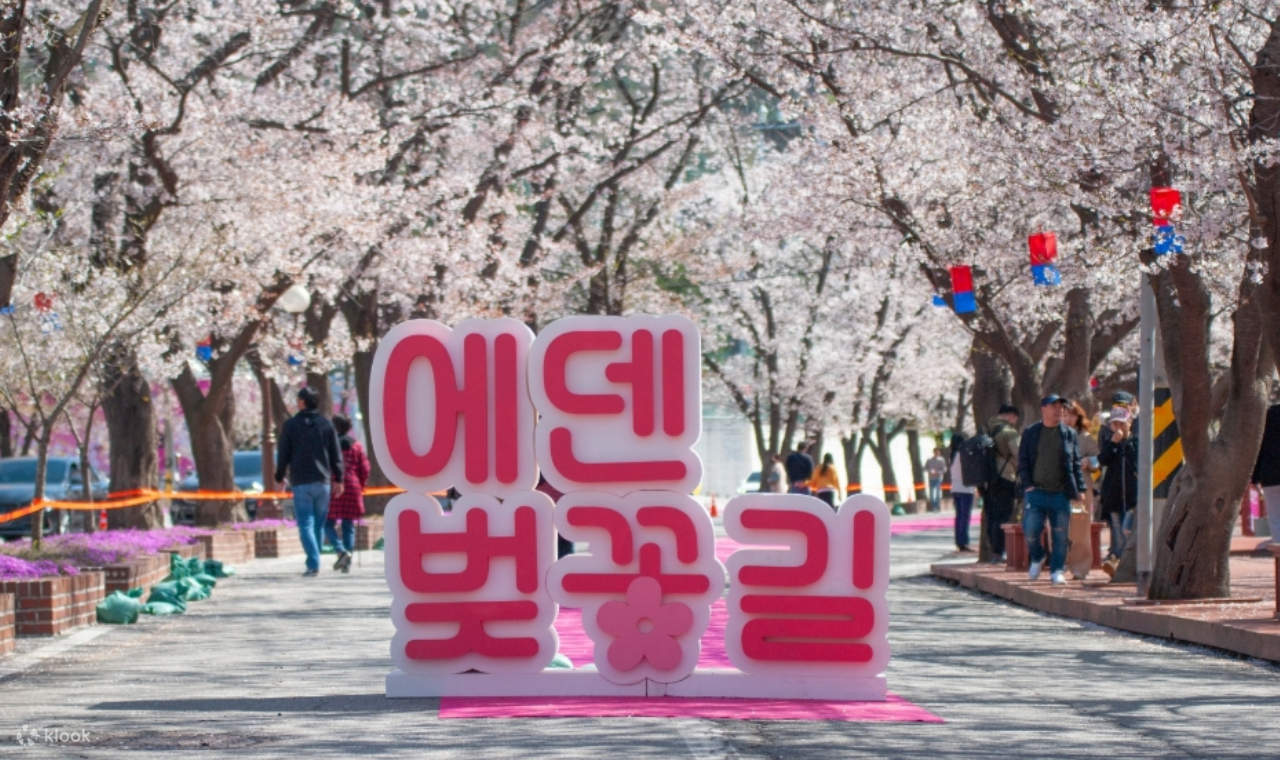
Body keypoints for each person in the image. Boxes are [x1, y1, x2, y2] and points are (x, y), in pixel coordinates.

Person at [1017, 394, 1087, 585]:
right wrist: (1027, 484)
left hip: (1060, 493)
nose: (1059, 410)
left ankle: (1057, 570)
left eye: (1061, 407)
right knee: (1030, 530)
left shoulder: (1068, 434)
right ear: (1043, 409)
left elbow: (1075, 462)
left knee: (1060, 534)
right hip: (1036, 491)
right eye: (1053, 406)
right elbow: (1023, 461)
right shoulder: (1031, 432)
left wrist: (1080, 488)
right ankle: (1038, 556)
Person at [274, 387, 344, 577]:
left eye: (298, 399)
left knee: (305, 523)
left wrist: (279, 477)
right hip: (323, 481)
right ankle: (314, 561)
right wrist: (339, 478)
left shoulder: (291, 425)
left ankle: (313, 563)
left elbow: (283, 453)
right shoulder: (326, 424)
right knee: (318, 525)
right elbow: (335, 453)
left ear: (302, 402)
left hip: (301, 481)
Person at [325, 414, 369, 573]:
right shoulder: (356, 446)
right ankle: (347, 559)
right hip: (352, 485)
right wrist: (361, 484)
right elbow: (365, 468)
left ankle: (340, 550)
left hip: (334, 485)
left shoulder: (330, 445)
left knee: (327, 523)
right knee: (348, 524)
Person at [1098, 404, 1138, 560]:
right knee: (1116, 531)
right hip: (1113, 496)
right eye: (1115, 424)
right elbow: (1103, 460)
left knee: (1127, 530)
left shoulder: (1135, 442)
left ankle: (1126, 560)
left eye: (1122, 423)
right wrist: (1113, 443)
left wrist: (1127, 444)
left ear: (1129, 423)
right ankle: (1118, 560)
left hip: (1131, 497)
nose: (1119, 427)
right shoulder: (1110, 442)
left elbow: (1137, 463)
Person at [983, 404, 1022, 563]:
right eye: (1015, 418)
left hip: (987, 479)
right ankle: (1001, 551)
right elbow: (1019, 455)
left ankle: (994, 551)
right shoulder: (1009, 432)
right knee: (1004, 515)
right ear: (1011, 415)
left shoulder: (985, 429)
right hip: (1005, 476)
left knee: (992, 515)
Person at [1065, 400, 1099, 515]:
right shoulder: (1054, 436)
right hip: (1058, 490)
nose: (1068, 419)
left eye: (1072, 415)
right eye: (1065, 415)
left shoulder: (1085, 437)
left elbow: (1097, 460)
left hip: (1082, 488)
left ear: (1078, 417)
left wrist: (1088, 462)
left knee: (1081, 520)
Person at [1252, 403, 1280, 543]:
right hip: (1269, 474)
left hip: (1270, 475)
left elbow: (1260, 447)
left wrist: (1255, 477)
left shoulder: (1267, 415)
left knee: (1275, 518)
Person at [949, 434, 975, 552]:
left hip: (956, 488)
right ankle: (963, 542)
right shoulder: (963, 454)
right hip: (965, 489)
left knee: (959, 516)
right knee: (965, 516)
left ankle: (959, 541)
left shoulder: (953, 454)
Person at [924, 448, 948, 512]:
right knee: (932, 494)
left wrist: (938, 472)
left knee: (937, 493)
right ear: (934, 452)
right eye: (936, 452)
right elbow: (925, 468)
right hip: (931, 479)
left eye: (938, 452)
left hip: (938, 478)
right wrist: (930, 471)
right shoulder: (929, 460)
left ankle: (937, 506)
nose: (937, 453)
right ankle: (934, 507)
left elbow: (944, 469)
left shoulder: (941, 460)